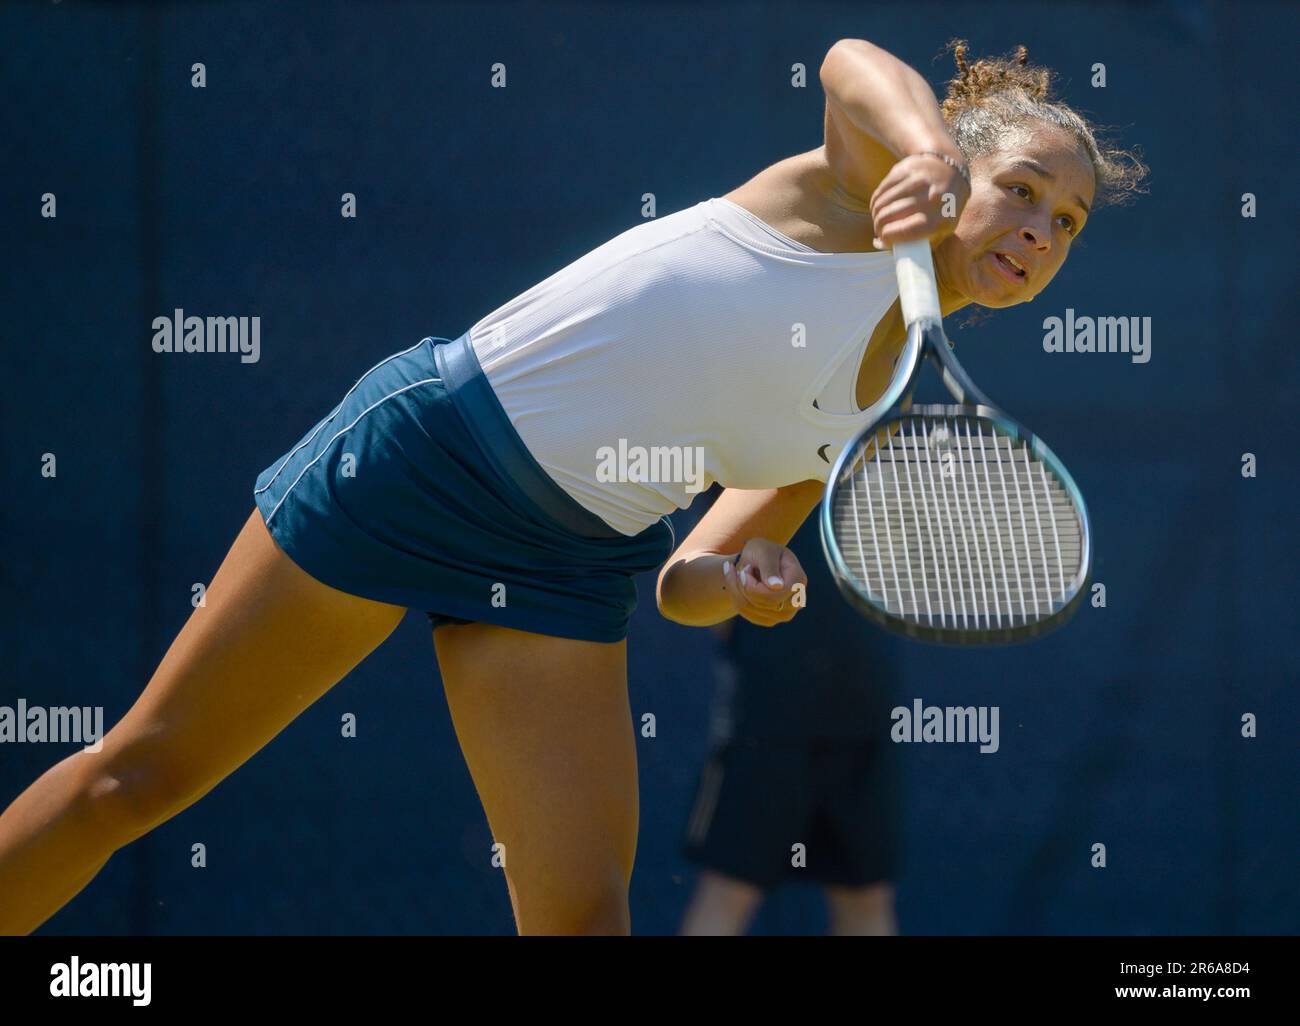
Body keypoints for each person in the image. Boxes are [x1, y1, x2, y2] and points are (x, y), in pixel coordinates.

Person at [0, 38, 1145, 935]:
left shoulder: (878, 401)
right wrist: (926, 155)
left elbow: (685, 586)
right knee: (137, 779)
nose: (1039, 231)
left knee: (584, 925)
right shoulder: (857, 193)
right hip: (437, 455)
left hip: (567, 566)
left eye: (1067, 224)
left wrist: (742, 581)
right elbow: (852, 60)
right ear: (958, 159)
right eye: (1023, 189)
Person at [679, 501, 904, 935]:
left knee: (866, 894)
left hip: (866, 694)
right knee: (730, 888)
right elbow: (702, 571)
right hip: (770, 701)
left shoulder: (886, 445)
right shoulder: (745, 449)